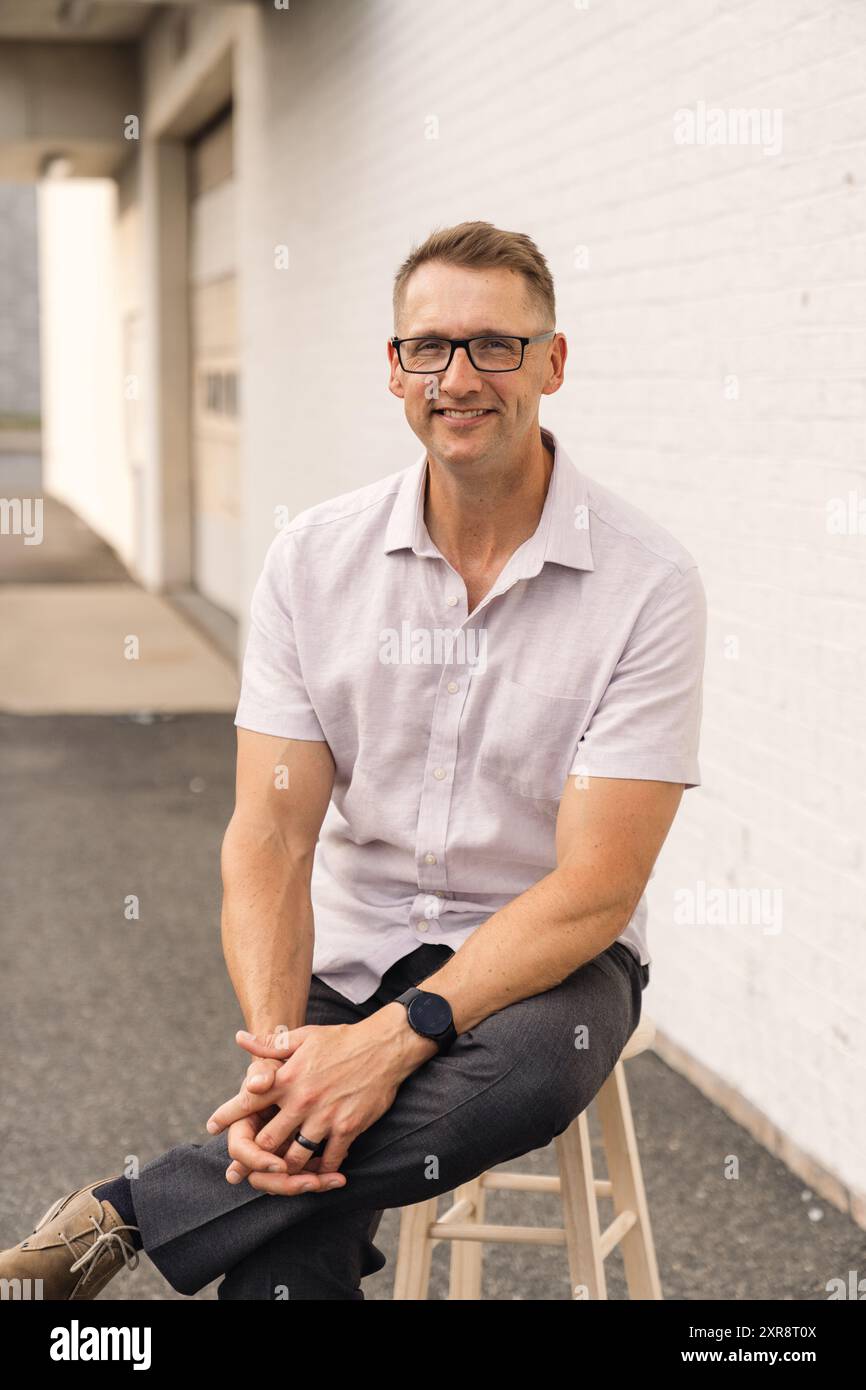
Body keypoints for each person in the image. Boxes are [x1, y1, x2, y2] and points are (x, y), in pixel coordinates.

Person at [0, 220, 705, 1301]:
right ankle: (260, 1161)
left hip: (546, 963)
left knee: (531, 1065)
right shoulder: (314, 561)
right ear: (394, 369)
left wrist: (395, 1042)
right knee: (283, 1264)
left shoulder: (645, 584)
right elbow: (272, 834)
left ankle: (135, 1208)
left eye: (495, 346)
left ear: (552, 362)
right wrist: (287, 1052)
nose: (459, 376)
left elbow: (593, 887)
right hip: (361, 936)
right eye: (428, 346)